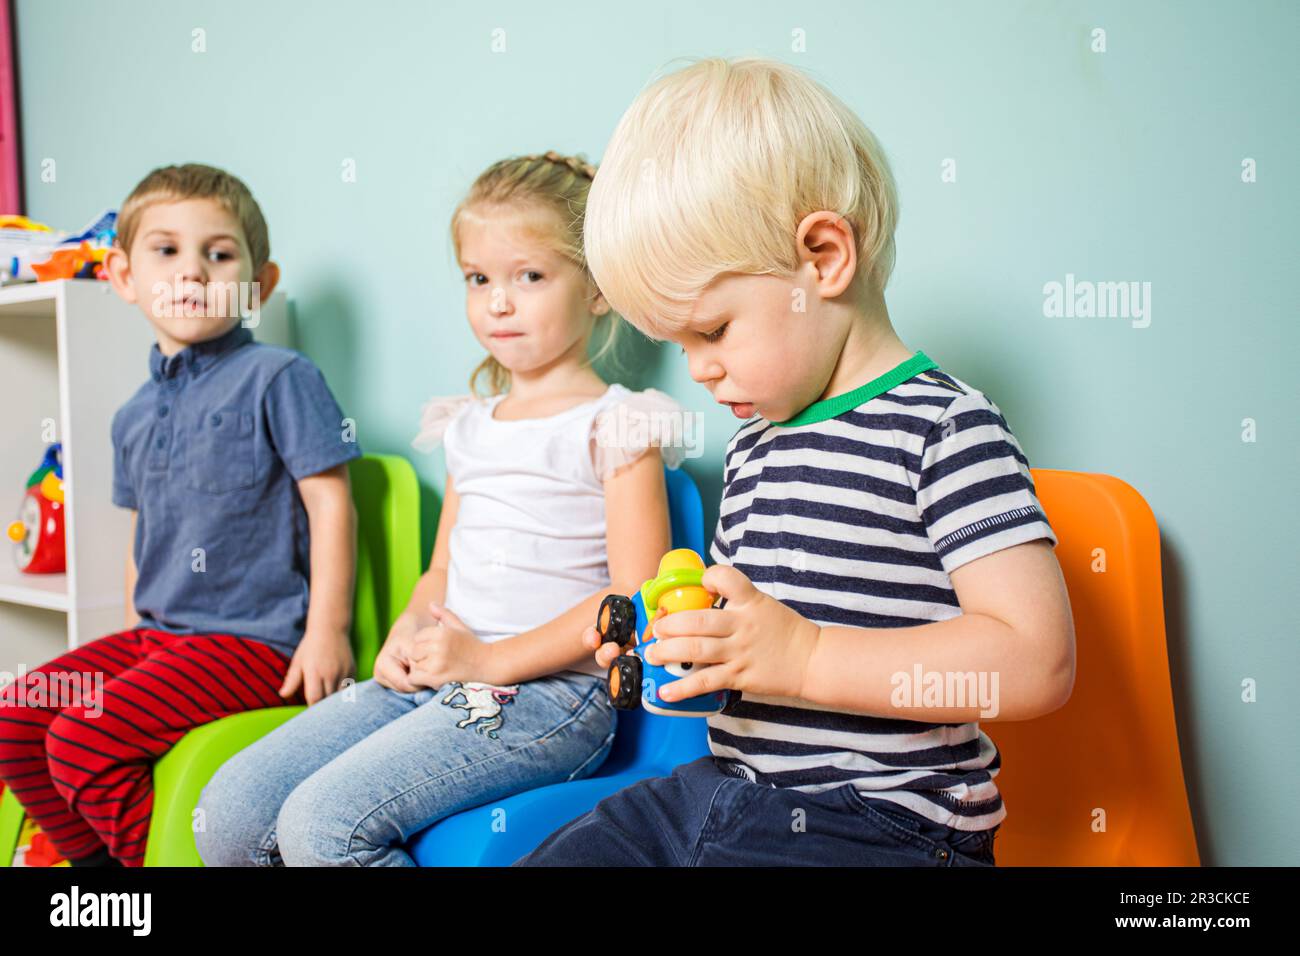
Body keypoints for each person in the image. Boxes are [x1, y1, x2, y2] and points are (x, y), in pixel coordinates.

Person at [515, 58, 1076, 867]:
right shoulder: (756, 441)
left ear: (822, 257)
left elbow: (1036, 662)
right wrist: (688, 652)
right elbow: (759, 653)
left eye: (710, 332)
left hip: (885, 827)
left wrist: (807, 658)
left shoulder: (945, 429)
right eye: (678, 345)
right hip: (726, 789)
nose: (697, 369)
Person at [195, 151, 689, 866]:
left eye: (531, 276)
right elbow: (440, 573)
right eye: (479, 278)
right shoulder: (468, 425)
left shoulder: (618, 426)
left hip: (551, 697)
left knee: (322, 829)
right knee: (229, 813)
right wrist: (408, 630)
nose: (498, 301)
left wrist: (488, 658)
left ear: (598, 287)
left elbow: (631, 601)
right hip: (447, 674)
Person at [0, 163, 360, 866]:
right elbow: (144, 530)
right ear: (122, 275)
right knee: (16, 720)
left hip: (252, 644)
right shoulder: (132, 413)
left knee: (81, 738)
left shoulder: (279, 377)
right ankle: (98, 874)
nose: (192, 272)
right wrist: (133, 636)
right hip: (157, 638)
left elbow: (331, 503)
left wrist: (328, 632)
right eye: (166, 251)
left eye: (218, 254)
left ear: (261, 283)